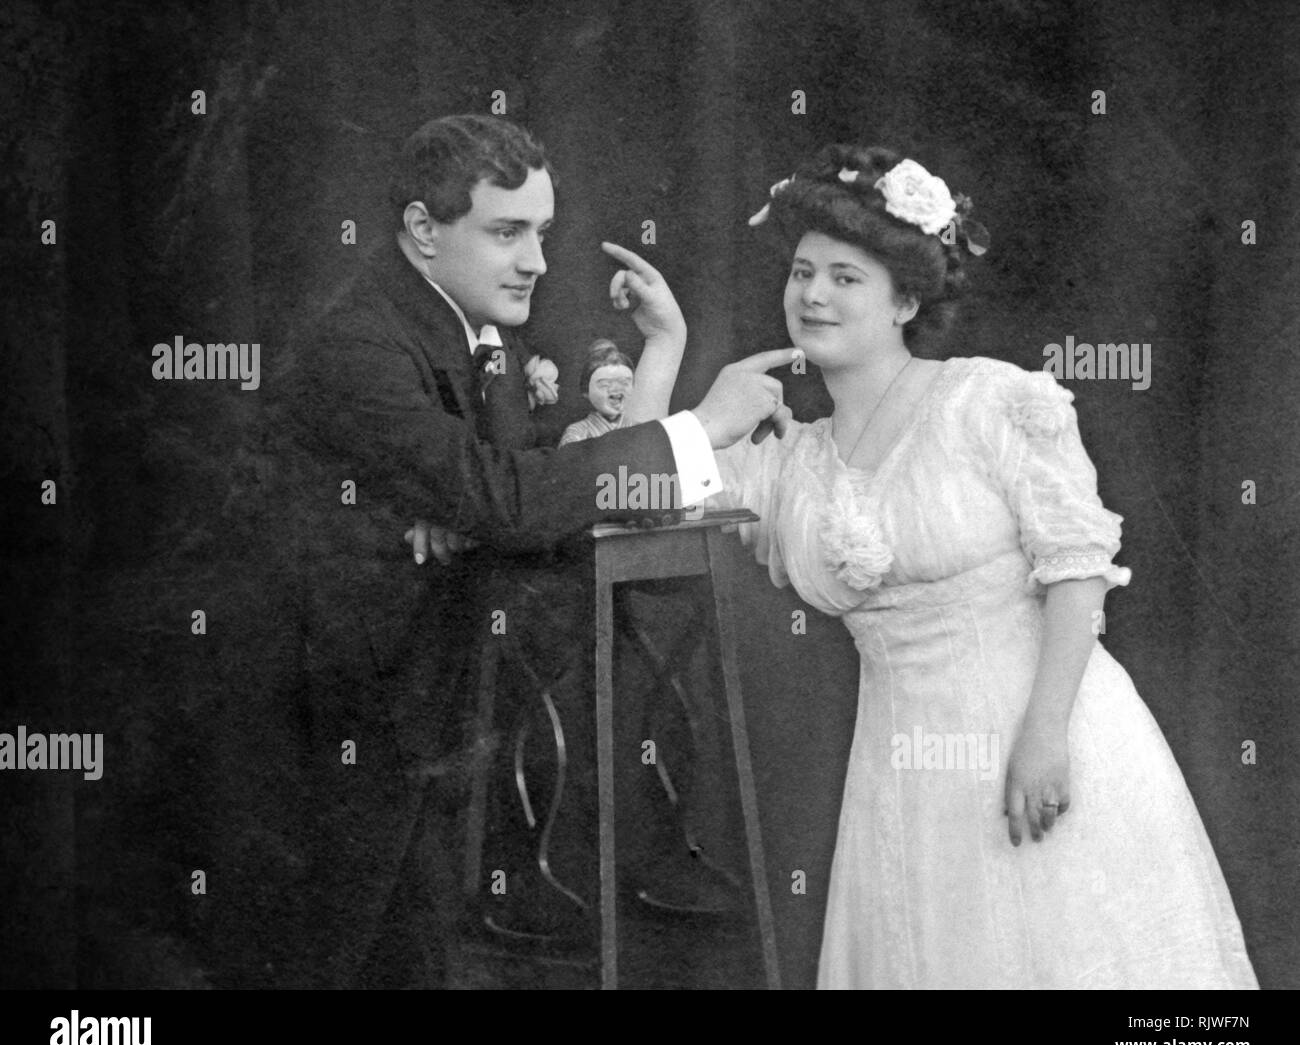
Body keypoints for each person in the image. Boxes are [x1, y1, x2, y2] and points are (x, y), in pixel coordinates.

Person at [690, 143, 1258, 989]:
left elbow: (1075, 571)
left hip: (1044, 733)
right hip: (901, 776)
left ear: (905, 300)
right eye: (803, 272)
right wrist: (683, 369)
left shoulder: (989, 400)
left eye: (846, 277)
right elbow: (659, 487)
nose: (812, 294)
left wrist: (1043, 738)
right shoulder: (790, 462)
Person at [268, 114, 796, 988]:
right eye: (506, 232)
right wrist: (700, 429)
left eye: (542, 234)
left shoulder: (476, 329)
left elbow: (544, 493)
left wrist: (662, 350)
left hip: (421, 704)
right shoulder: (360, 343)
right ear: (423, 231)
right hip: (329, 717)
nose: (537, 263)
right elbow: (518, 500)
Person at [559, 339, 637, 445]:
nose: (615, 389)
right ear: (586, 391)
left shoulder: (641, 429)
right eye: (605, 384)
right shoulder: (577, 434)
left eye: (624, 382)